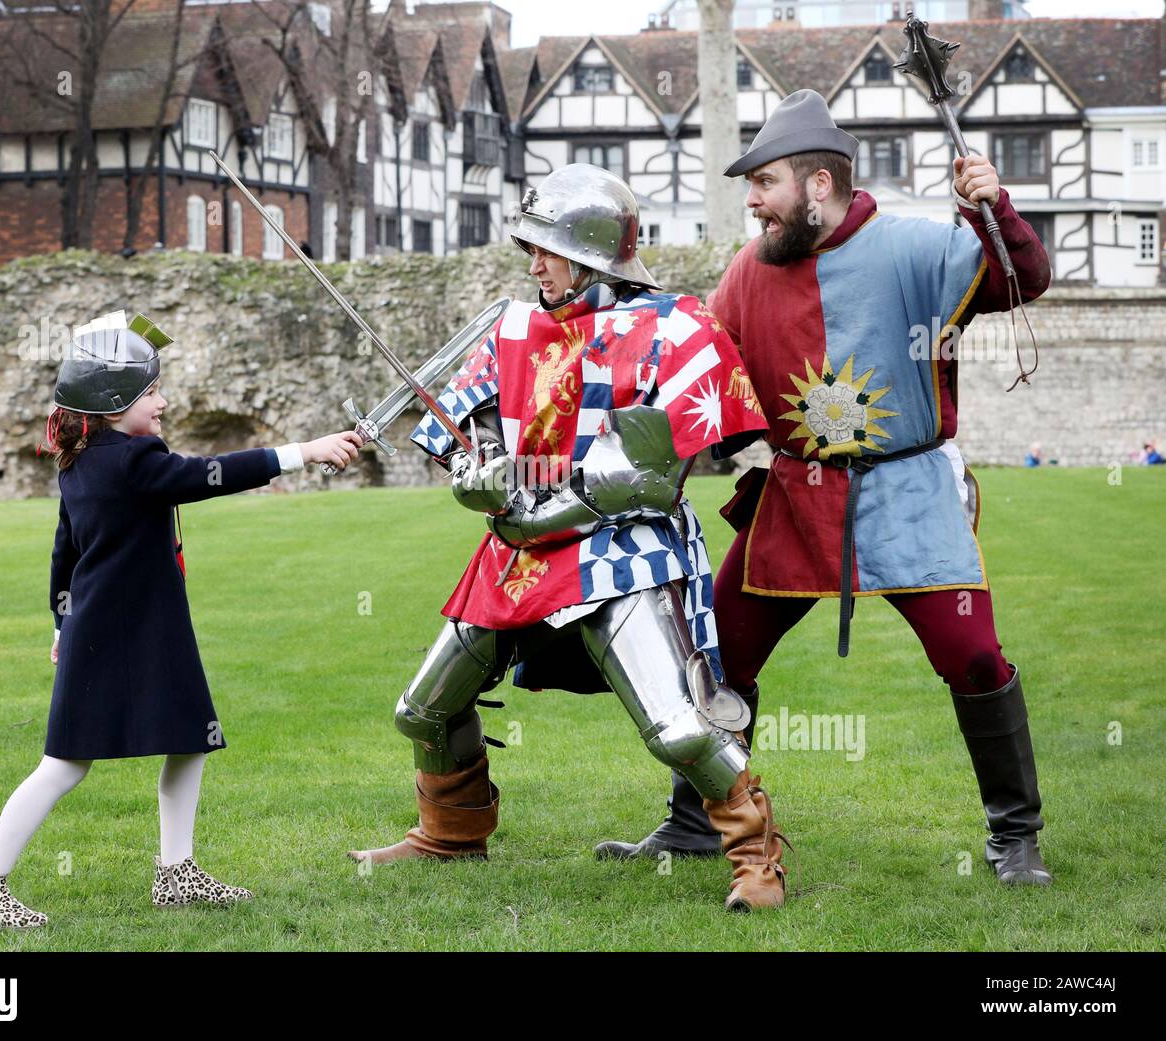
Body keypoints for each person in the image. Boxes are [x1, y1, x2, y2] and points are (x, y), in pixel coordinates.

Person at [595, 90, 1055, 888]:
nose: (753, 201)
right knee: (718, 653)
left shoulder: (914, 247)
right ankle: (695, 823)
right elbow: (704, 368)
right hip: (796, 495)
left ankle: (1015, 838)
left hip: (909, 488)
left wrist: (996, 210)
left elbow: (1025, 280)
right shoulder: (747, 272)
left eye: (764, 182)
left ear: (816, 184)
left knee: (974, 656)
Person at [348, 164, 791, 911]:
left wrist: (535, 509)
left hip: (623, 549)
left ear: (589, 251)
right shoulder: (513, 327)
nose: (535, 264)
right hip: (515, 552)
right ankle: (451, 834)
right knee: (420, 710)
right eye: (531, 249)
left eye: (546, 249)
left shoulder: (674, 326)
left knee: (680, 729)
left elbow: (643, 472)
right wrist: (475, 475)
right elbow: (465, 438)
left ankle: (757, 857)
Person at [0, 311, 361, 928]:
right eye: (152, 393)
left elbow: (64, 554)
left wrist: (59, 624)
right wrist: (304, 452)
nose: (165, 402)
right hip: (114, 631)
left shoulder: (84, 460)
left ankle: (176, 874)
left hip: (141, 626)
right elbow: (205, 475)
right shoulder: (131, 461)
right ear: (115, 403)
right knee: (64, 765)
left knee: (188, 739)